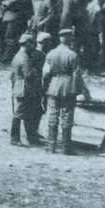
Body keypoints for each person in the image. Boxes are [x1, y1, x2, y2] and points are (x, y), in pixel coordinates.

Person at [42, 26, 89, 154]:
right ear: (69, 39)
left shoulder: (51, 54)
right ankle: (66, 147)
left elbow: (45, 73)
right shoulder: (73, 55)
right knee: (67, 117)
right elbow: (77, 75)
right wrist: (81, 91)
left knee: (53, 115)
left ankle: (51, 146)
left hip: (53, 86)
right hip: (68, 87)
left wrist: (45, 86)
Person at [9, 32, 45, 146]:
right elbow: (29, 75)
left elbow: (12, 74)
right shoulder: (25, 58)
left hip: (19, 87)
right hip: (25, 89)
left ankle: (31, 137)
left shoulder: (17, 55)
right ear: (27, 43)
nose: (34, 46)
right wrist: (36, 73)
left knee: (27, 113)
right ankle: (14, 138)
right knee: (19, 114)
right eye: (32, 44)